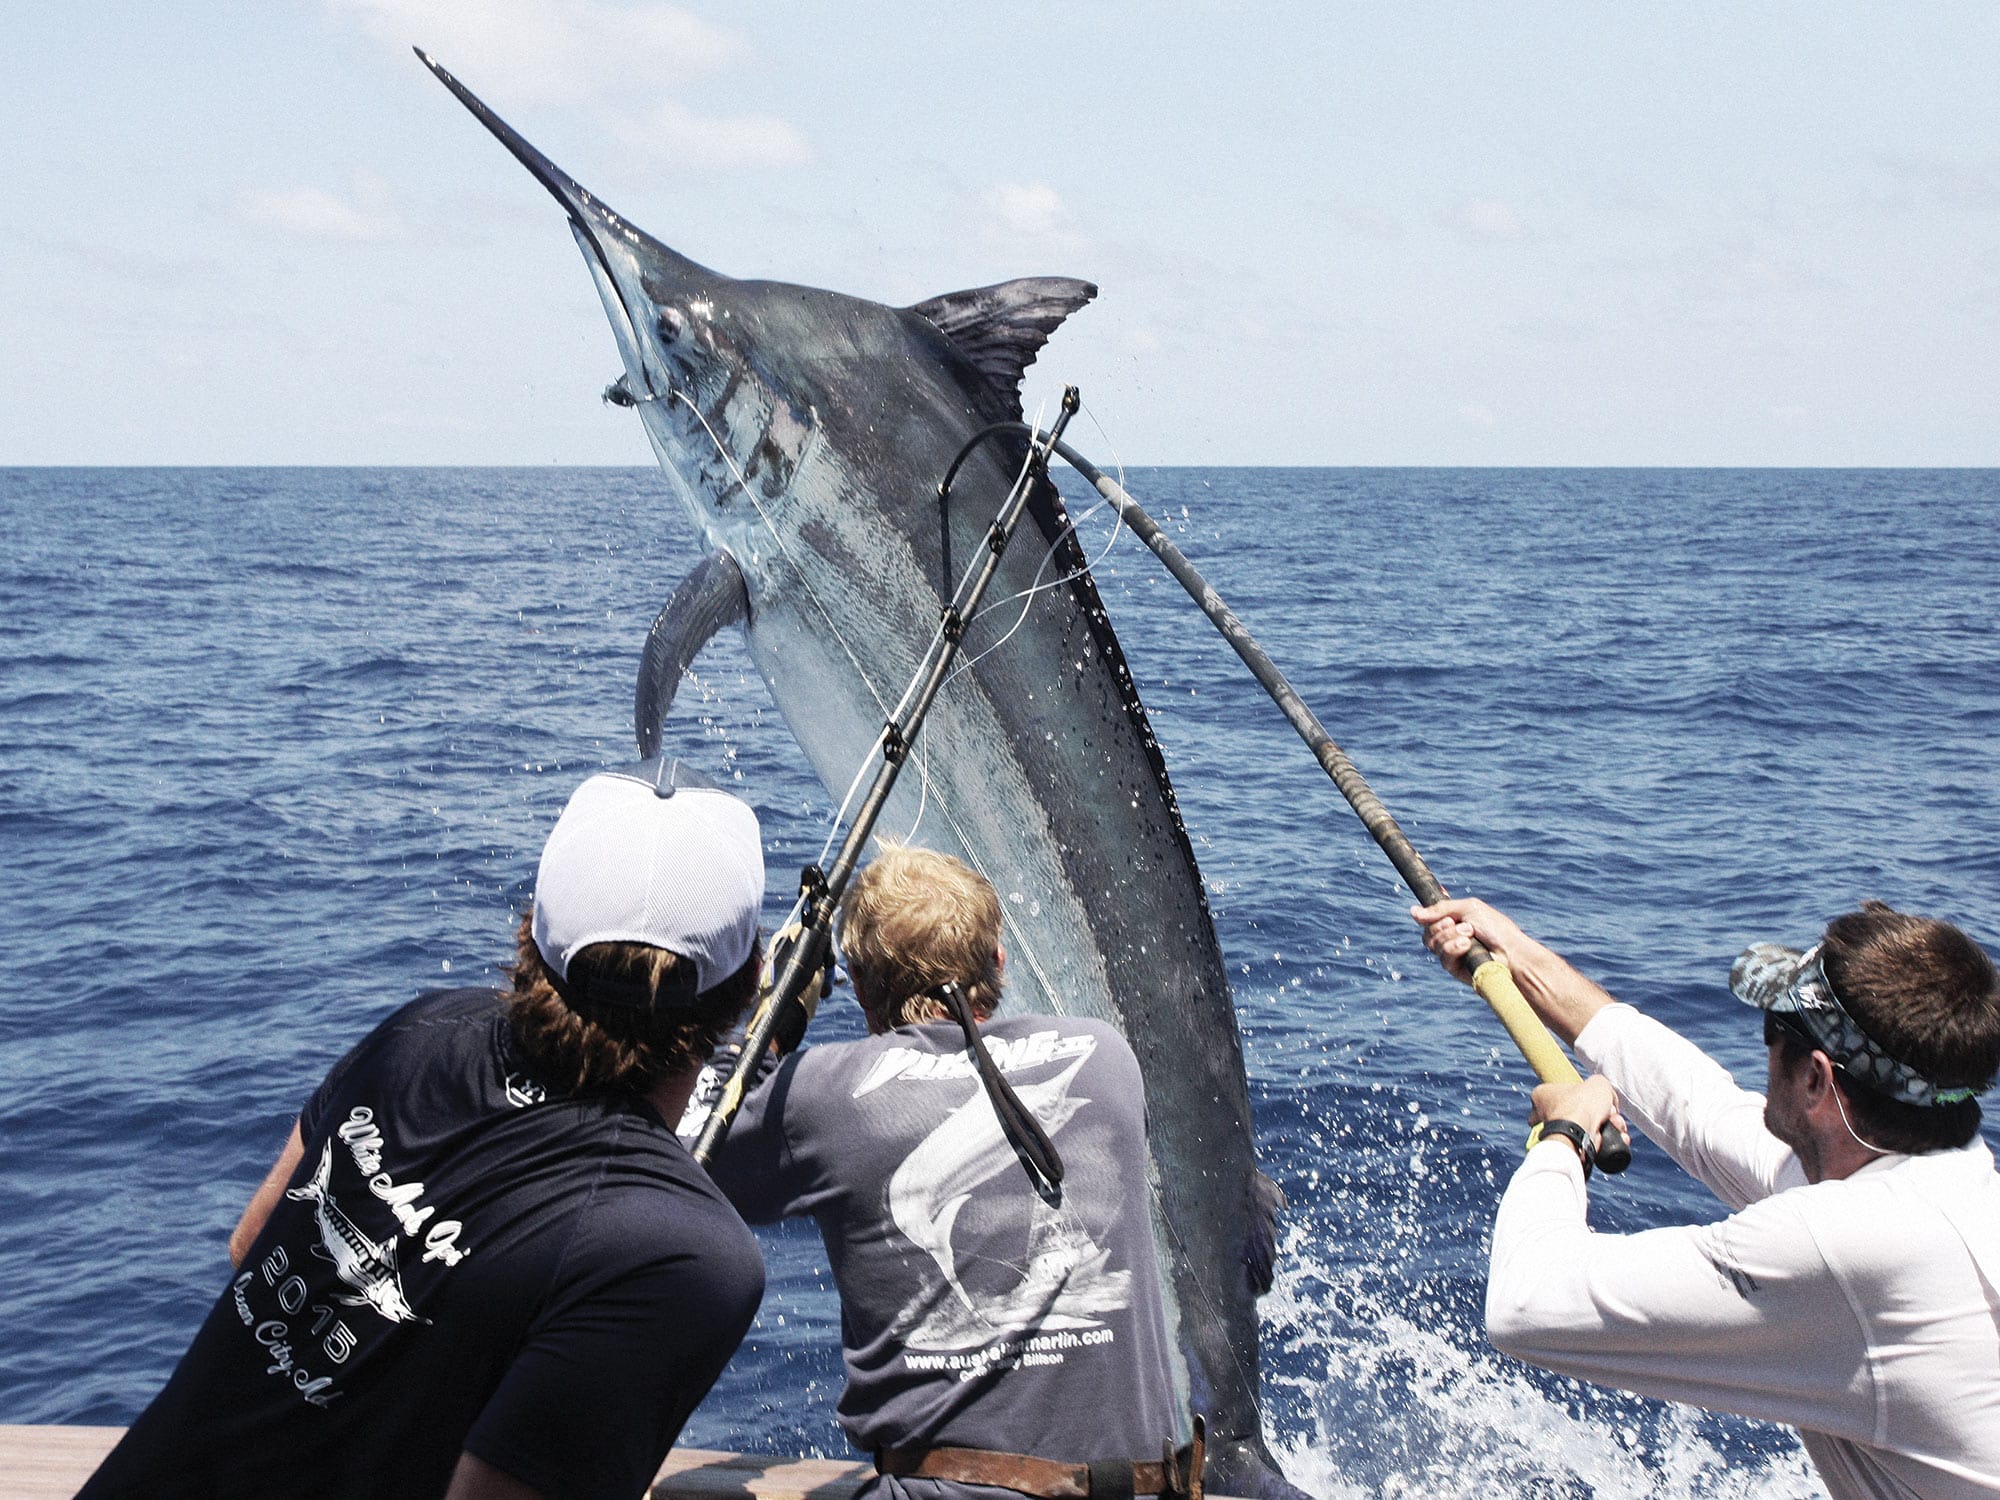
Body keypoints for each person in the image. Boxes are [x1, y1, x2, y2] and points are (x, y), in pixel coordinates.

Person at [80, 760, 770, 1500]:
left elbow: (254, 1243)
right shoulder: (692, 1259)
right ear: (748, 984)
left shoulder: (422, 1027)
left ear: (532, 931)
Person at [1412, 894, 2000, 1500]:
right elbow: (1698, 1108)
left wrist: (1565, 1136)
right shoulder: (1933, 1176)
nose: (1764, 1045)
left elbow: (1524, 1304)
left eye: (1776, 1025)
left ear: (1817, 1079)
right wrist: (1519, 957)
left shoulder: (1848, 1246)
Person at [703, 844, 1190, 1500]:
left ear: (861, 985)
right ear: (997, 961)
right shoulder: (1107, 1057)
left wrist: (777, 1006)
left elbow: (693, 1148)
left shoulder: (826, 1093)